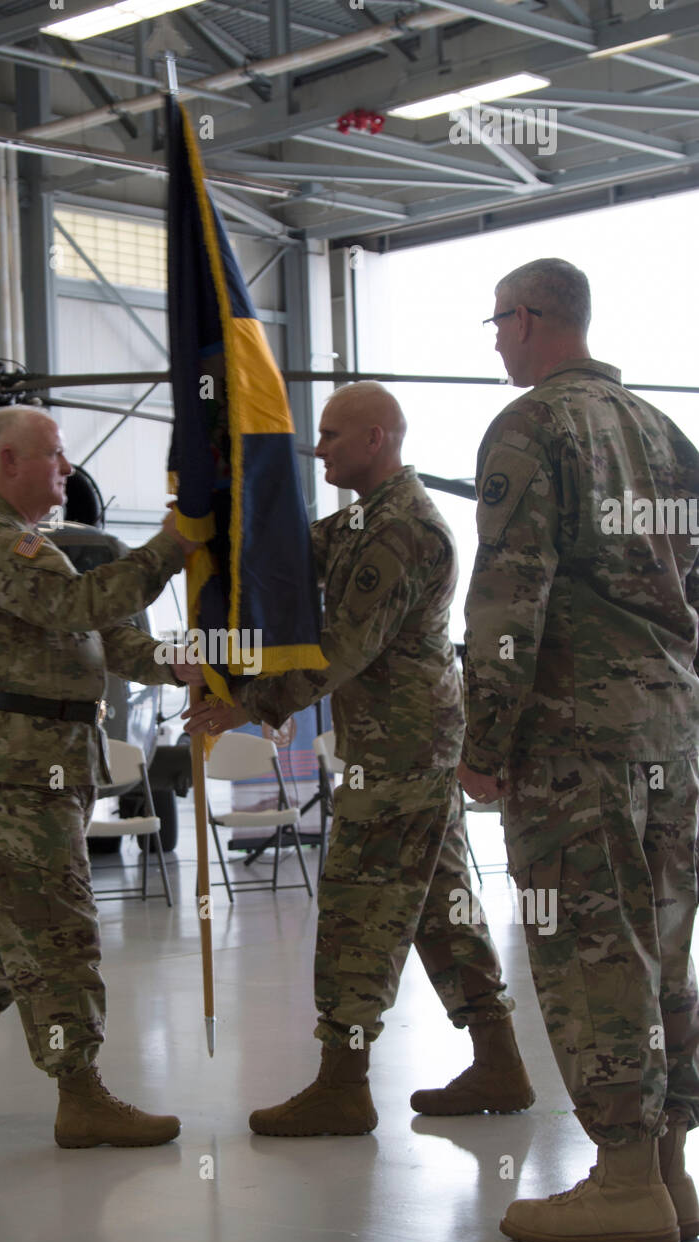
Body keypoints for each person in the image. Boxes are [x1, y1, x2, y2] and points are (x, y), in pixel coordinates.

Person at [185, 382, 532, 1135]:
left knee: (355, 908)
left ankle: (343, 1081)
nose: (319, 448)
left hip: (401, 752)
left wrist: (248, 704)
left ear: (376, 439)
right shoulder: (363, 521)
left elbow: (341, 650)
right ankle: (498, 1060)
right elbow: (283, 556)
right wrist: (211, 528)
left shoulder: (400, 531)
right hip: (406, 746)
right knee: (442, 908)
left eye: (332, 436)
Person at [460, 257, 699, 1242]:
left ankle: (619, 1177)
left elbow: (510, 597)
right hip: (669, 730)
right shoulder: (664, 432)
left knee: (589, 948)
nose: (498, 341)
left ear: (528, 319)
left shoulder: (532, 427)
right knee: (663, 950)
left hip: (574, 734)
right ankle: (673, 1171)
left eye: (499, 323)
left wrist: (484, 738)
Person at [0, 405, 200, 1146]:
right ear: (8, 463)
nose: (67, 469)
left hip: (49, 763)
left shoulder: (34, 545)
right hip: (16, 767)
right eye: (54, 457)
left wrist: (179, 665)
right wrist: (172, 545)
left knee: (21, 925)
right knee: (61, 927)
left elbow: (106, 638)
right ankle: (80, 1092)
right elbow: (82, 603)